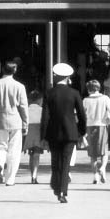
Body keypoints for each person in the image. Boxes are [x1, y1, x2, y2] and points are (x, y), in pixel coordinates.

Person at [40, 62, 87, 203]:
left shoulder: (49, 93)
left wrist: (43, 136)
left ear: (56, 77)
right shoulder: (74, 93)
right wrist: (81, 132)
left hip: (53, 132)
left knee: (56, 161)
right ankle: (63, 192)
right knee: (66, 162)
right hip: (70, 132)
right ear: (68, 78)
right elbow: (82, 115)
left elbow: (45, 117)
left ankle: (56, 185)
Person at [0, 59, 29, 185]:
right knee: (14, 150)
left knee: (0, 146)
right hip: (15, 121)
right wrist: (25, 123)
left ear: (2, 69)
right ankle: (10, 179)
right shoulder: (20, 86)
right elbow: (23, 106)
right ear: (14, 70)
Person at [82, 79, 110, 184]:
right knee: (104, 151)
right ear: (98, 88)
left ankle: (95, 175)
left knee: (92, 154)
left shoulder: (85, 100)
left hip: (90, 127)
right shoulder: (105, 98)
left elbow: (81, 115)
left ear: (88, 89)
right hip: (102, 127)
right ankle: (103, 167)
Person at [23, 86, 44, 183]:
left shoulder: (26, 109)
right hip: (38, 133)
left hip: (28, 134)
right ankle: (34, 175)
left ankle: (32, 174)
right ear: (40, 99)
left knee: (31, 155)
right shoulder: (42, 110)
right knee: (36, 155)